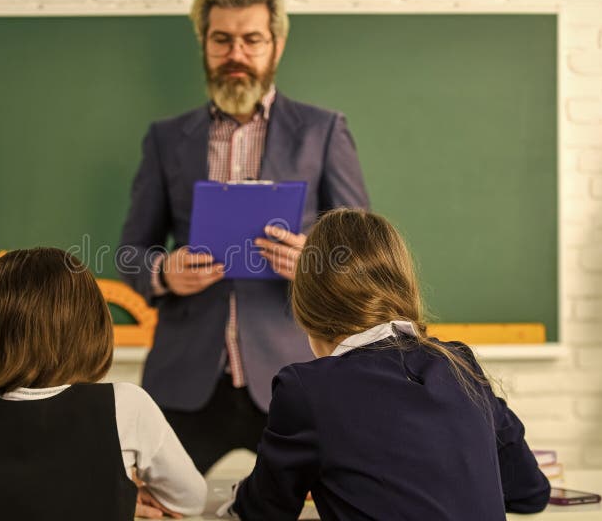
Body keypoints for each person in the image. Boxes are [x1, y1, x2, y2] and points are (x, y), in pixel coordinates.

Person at [118, 0, 369, 474]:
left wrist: (315, 265)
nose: (236, 52)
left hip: (295, 375)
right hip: (184, 380)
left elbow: (363, 254)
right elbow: (130, 252)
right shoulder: (167, 139)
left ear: (275, 44)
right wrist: (164, 273)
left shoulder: (323, 131)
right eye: (221, 39)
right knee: (152, 507)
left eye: (251, 39)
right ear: (204, 45)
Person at [220, 208, 551, 520]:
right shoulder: (458, 363)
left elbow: (266, 511)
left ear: (307, 305)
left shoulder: (306, 389)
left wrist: (239, 497)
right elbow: (530, 491)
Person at [0, 248, 206, 520]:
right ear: (92, 325)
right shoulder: (125, 404)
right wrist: (122, 496)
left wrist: (118, 498)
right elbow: (190, 500)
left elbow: (27, 499)